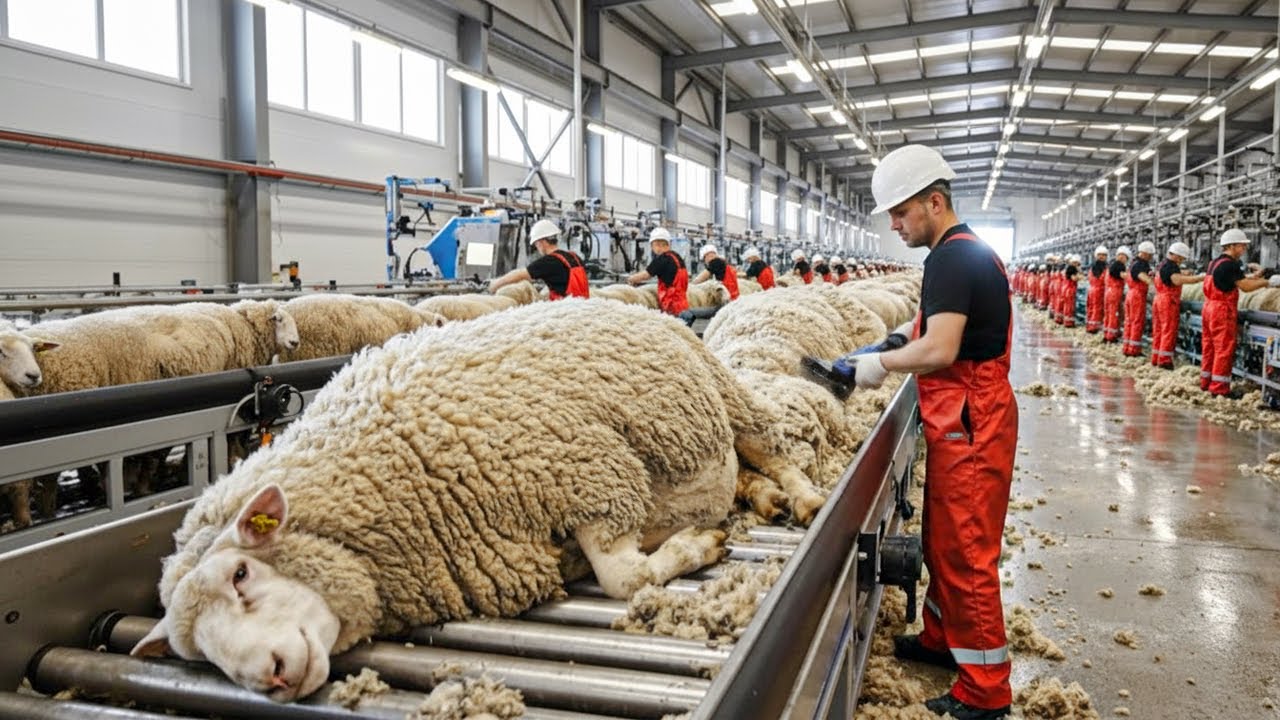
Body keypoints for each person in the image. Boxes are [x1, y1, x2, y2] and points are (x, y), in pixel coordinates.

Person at [802, 144, 1015, 720]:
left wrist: (878, 367)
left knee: (968, 550)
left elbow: (943, 349)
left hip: (970, 418)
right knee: (946, 537)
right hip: (966, 416)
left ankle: (986, 688)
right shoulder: (964, 255)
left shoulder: (952, 259)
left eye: (900, 212)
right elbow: (932, 332)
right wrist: (884, 345)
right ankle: (943, 641)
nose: (894, 225)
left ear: (934, 201)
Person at [1201, 228, 1275, 397]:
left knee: (1210, 347)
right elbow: (1244, 286)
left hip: (1209, 308)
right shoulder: (1230, 264)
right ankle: (1219, 389)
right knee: (1223, 349)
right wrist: (1267, 283)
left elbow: (1235, 280)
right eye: (1242, 246)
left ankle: (1206, 382)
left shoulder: (1215, 263)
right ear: (1232, 246)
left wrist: (1255, 277)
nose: (1244, 250)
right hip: (1221, 310)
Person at [489, 218, 589, 300]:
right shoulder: (575, 257)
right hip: (581, 307)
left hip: (563, 311)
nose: (537, 247)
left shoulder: (549, 261)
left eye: (536, 244)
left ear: (542, 242)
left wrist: (494, 286)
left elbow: (519, 274)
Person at [1150, 242, 1204, 369]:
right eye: (1181, 258)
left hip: (1158, 299)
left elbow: (1170, 276)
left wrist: (1184, 273)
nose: (1181, 261)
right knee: (1168, 330)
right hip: (1168, 301)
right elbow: (1176, 280)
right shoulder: (1171, 266)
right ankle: (1164, 361)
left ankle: (1156, 358)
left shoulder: (1162, 265)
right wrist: (1200, 278)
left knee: (1159, 330)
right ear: (1175, 255)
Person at [628, 227, 691, 323]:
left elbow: (646, 275)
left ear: (655, 245)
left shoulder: (661, 260)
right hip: (684, 306)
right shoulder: (676, 257)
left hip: (672, 308)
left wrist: (631, 279)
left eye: (653, 245)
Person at [1121, 241, 1156, 356]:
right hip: (1137, 295)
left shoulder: (1133, 263)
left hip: (1131, 294)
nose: (1151, 258)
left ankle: (1127, 347)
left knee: (1129, 321)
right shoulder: (1141, 265)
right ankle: (1134, 350)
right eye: (1150, 255)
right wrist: (1154, 283)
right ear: (1145, 254)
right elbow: (1144, 278)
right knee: (1137, 322)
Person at [1103, 246, 1129, 343]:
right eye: (1122, 256)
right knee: (1114, 314)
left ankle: (1106, 334)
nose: (1123, 258)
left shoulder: (1111, 264)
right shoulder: (1119, 265)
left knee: (1108, 313)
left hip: (1108, 292)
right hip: (1115, 292)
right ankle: (1112, 337)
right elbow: (1124, 276)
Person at [1085, 245, 1108, 333]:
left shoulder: (1092, 267)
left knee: (1091, 308)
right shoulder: (1102, 267)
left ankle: (1090, 325)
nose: (1101, 256)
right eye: (1100, 255)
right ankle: (1094, 328)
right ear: (1096, 256)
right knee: (1097, 309)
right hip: (1099, 290)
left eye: (1103, 255)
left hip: (1092, 290)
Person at [1061, 255, 1081, 327]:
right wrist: (1079, 276)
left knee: (1067, 305)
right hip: (1070, 289)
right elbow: (1074, 278)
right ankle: (1069, 323)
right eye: (1076, 263)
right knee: (1070, 306)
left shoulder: (1067, 268)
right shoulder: (1072, 268)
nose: (1077, 265)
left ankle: (1067, 321)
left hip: (1066, 288)